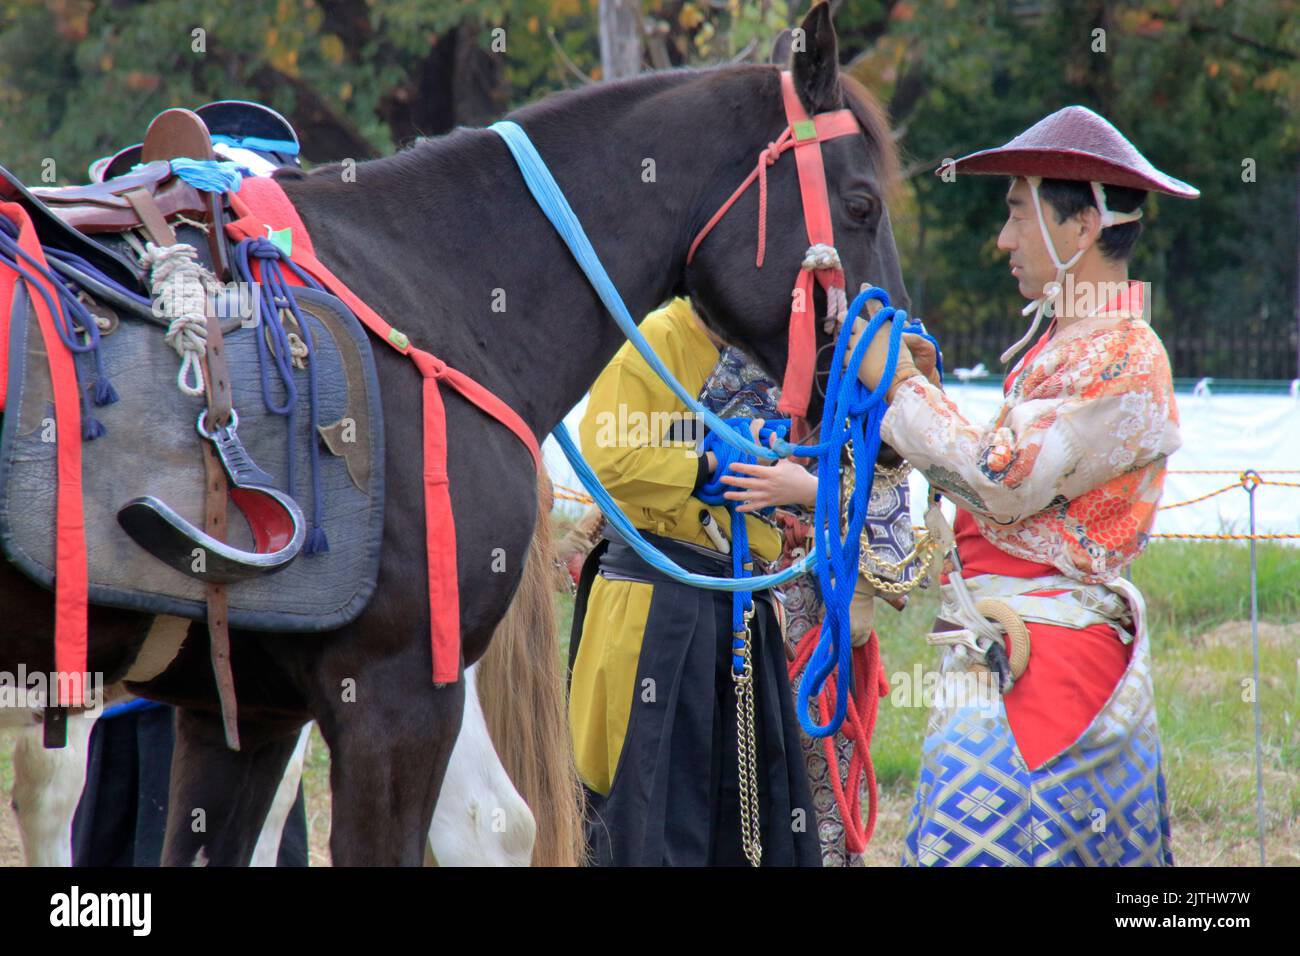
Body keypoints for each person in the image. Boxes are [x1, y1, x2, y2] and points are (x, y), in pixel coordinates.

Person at [849, 105, 1197, 866]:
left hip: (1046, 675)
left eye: (1017, 213)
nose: (1004, 239)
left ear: (1084, 226)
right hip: (1020, 655)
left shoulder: (1124, 354)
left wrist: (902, 388)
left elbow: (1000, 484)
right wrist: (922, 398)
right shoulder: (1073, 347)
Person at [567, 297, 823, 867]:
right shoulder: (654, 341)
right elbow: (612, 459)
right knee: (645, 806)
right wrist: (705, 465)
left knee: (741, 811)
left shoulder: (775, 349)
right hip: (657, 603)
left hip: (742, 606)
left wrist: (796, 486)